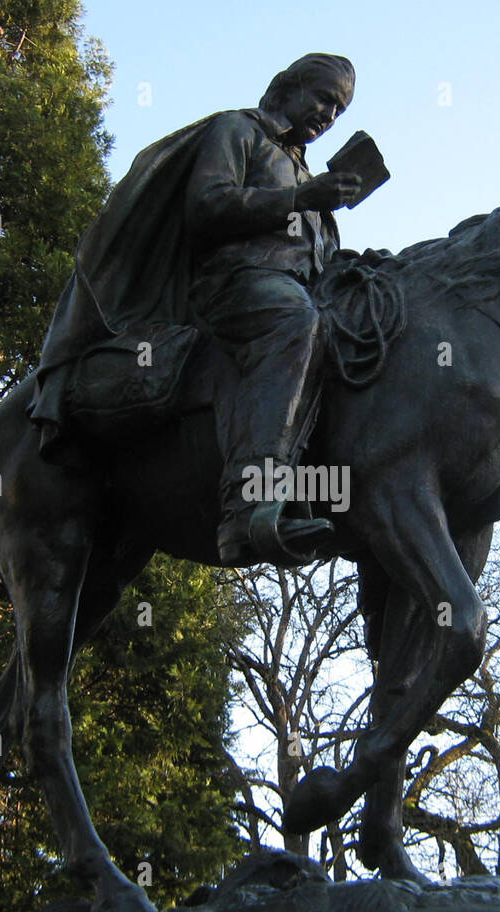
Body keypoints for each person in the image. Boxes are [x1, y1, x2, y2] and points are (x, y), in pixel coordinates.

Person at [27, 53, 361, 566]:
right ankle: (247, 504)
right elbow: (207, 205)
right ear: (289, 87)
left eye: (339, 110)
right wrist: (301, 197)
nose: (328, 115)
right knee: (296, 321)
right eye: (323, 98)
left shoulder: (303, 171)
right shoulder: (239, 131)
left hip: (293, 290)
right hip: (233, 285)